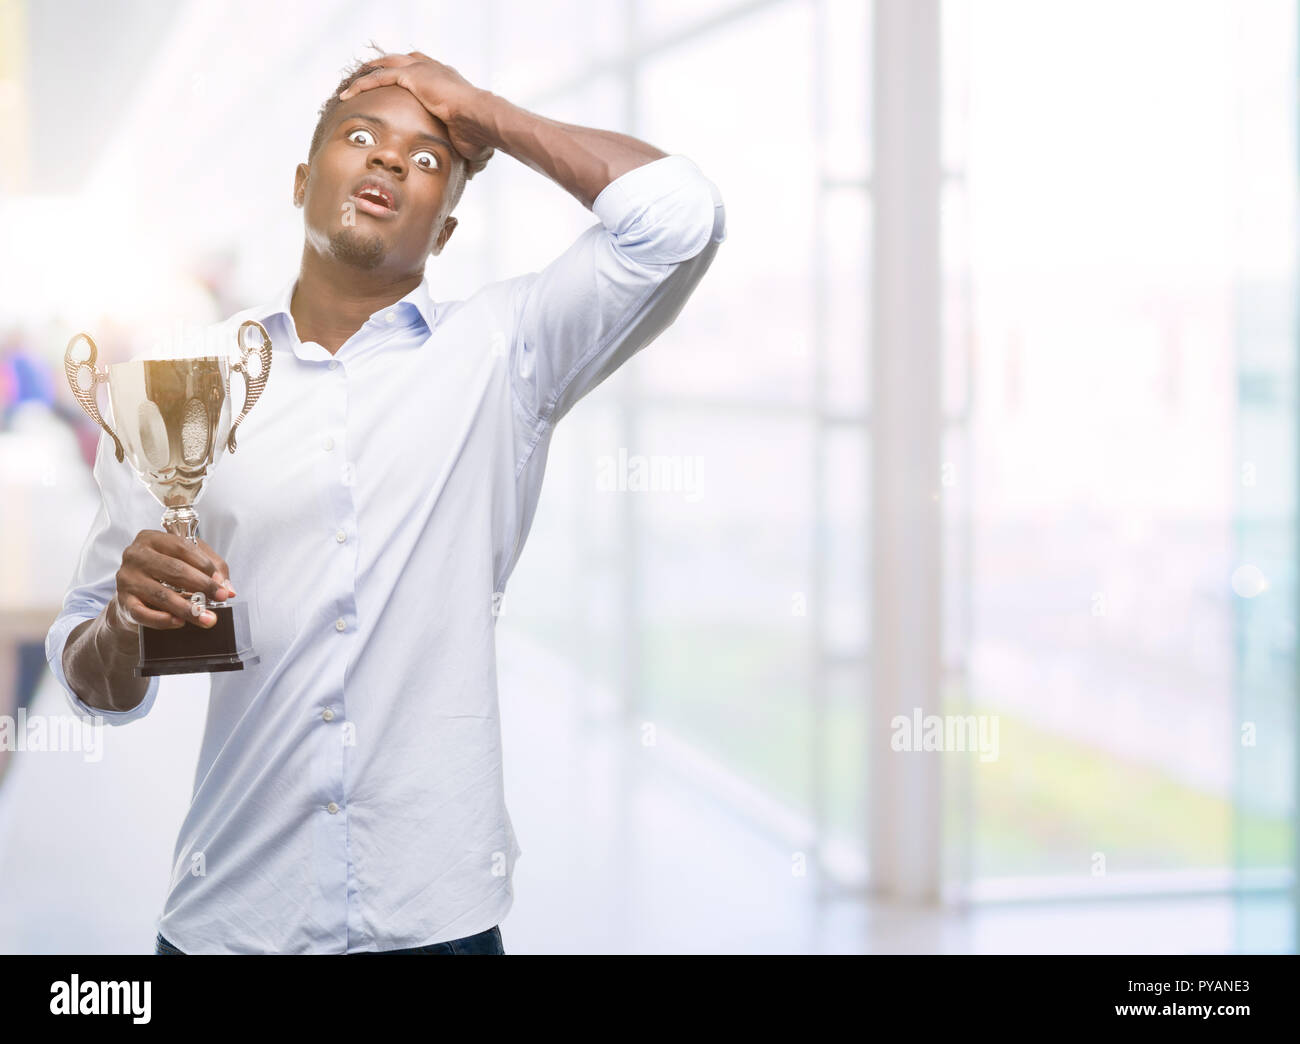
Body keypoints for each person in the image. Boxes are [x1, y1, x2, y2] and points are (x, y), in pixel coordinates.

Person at [44, 48, 726, 955]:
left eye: (429, 157)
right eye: (359, 137)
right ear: (300, 182)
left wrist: (482, 111)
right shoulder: (180, 388)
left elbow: (679, 219)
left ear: (443, 231)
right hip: (233, 922)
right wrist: (129, 622)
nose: (390, 159)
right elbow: (99, 688)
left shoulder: (505, 352)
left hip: (436, 922)